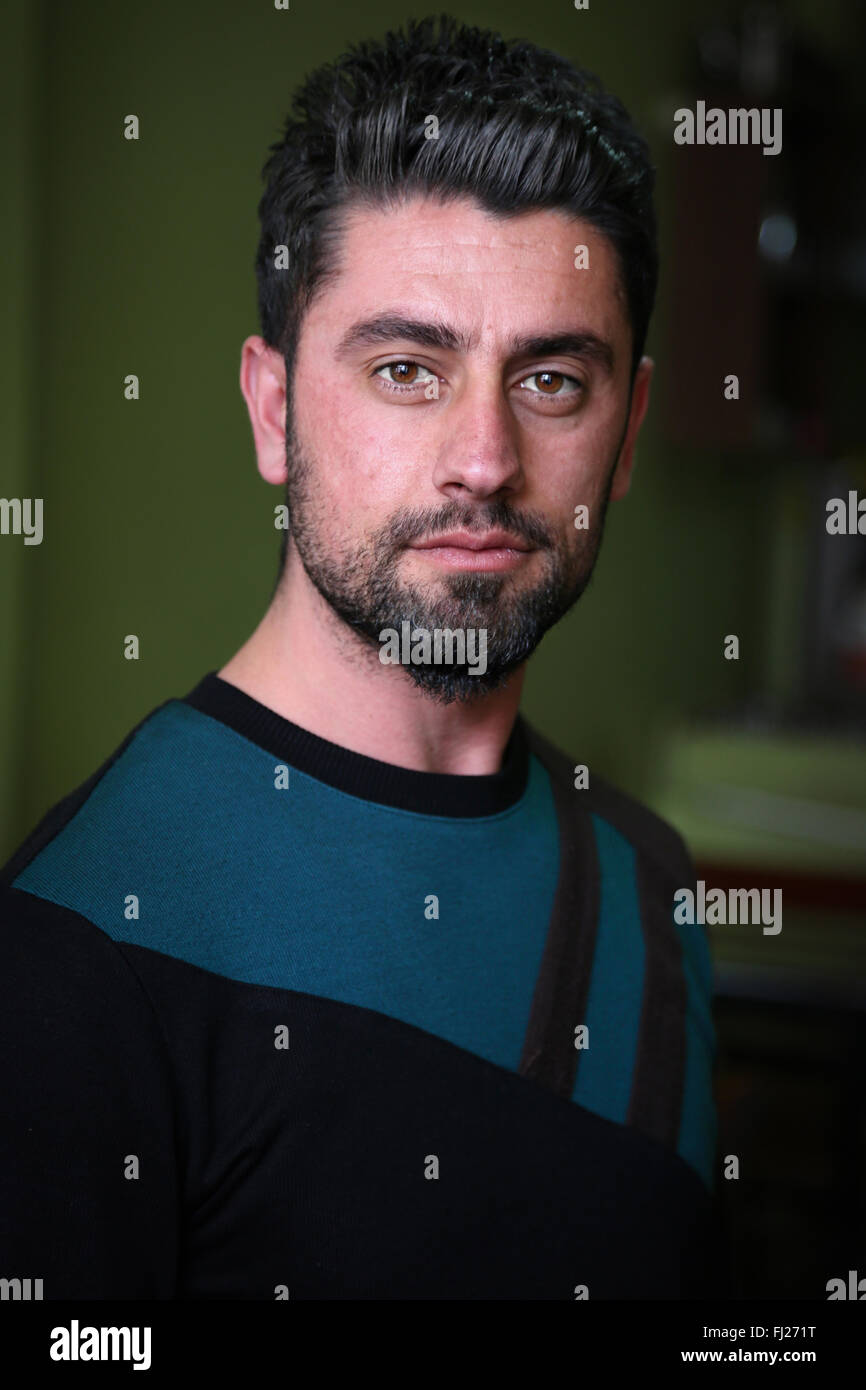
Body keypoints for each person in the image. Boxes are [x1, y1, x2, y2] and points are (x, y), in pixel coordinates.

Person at [0, 15, 725, 1299]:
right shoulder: (80, 944)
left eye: (551, 381)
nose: (484, 458)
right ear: (274, 410)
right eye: (406, 368)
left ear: (626, 432)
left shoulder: (651, 892)